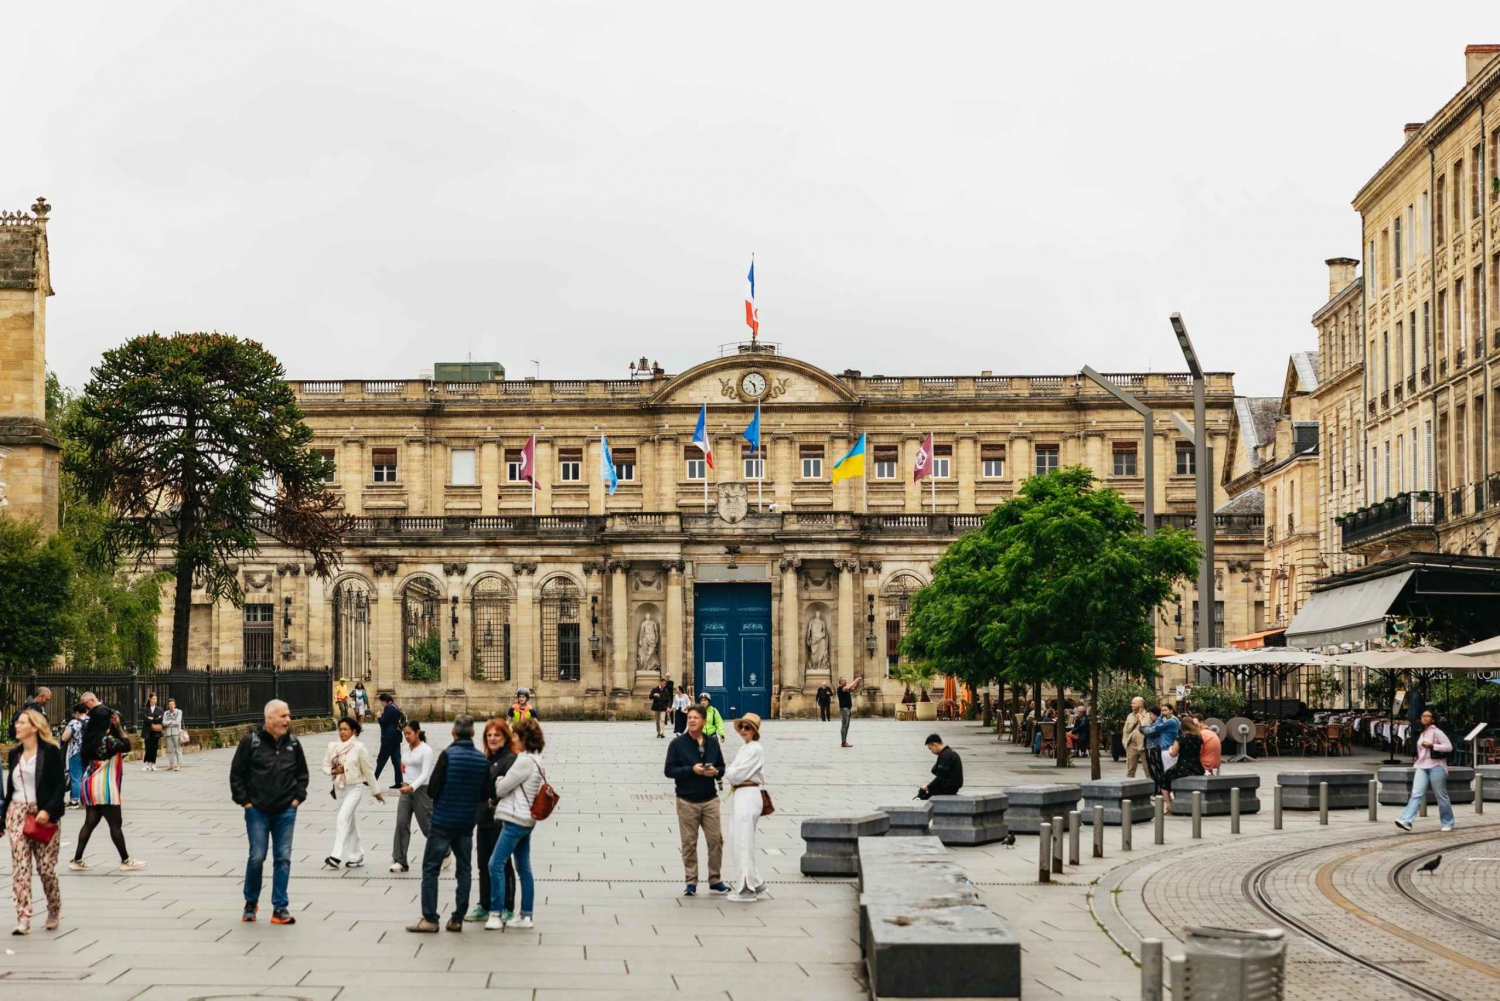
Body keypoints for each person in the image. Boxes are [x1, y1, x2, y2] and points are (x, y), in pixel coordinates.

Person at [229, 699, 308, 924]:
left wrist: (297, 799)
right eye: (283, 716)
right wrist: (245, 802)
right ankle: (251, 901)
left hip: (285, 811)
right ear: (269, 718)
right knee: (257, 857)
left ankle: (280, 908)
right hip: (257, 811)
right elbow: (237, 774)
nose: (288, 720)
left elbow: (302, 774)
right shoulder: (250, 742)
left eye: (288, 715)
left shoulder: (293, 743)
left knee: (283, 858)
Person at [408, 715, 487, 933]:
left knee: (431, 868)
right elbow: (486, 794)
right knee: (464, 870)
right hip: (465, 824)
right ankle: (457, 918)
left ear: (453, 733)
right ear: (473, 734)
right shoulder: (481, 760)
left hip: (442, 822)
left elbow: (432, 789)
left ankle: (430, 918)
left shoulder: (447, 755)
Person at [485, 718, 550, 930]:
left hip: (515, 820)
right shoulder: (538, 760)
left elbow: (501, 790)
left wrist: (499, 780)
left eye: (515, 735)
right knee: (524, 868)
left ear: (523, 738)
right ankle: (526, 915)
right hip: (528, 820)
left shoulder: (523, 761)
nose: (512, 739)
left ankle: (495, 913)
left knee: (495, 864)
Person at [4, 709, 65, 934]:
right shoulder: (14, 754)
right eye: (17, 723)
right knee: (20, 867)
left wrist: (48, 810)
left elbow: (60, 784)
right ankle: (23, 917)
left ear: (34, 727)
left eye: (21, 723)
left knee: (46, 868)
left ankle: (54, 906)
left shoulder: (50, 752)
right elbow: (10, 789)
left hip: (43, 815)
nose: (17, 726)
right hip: (17, 812)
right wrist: (3, 818)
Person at [71, 693, 145, 873]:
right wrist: (119, 728)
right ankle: (126, 860)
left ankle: (77, 859)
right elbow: (127, 745)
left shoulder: (91, 740)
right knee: (115, 824)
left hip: (89, 784)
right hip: (104, 786)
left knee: (90, 822)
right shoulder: (107, 740)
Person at [664, 705, 730, 897]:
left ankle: (715, 879)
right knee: (689, 843)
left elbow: (722, 766)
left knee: (716, 841)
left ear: (703, 721)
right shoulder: (677, 744)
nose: (692, 720)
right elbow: (669, 770)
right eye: (689, 717)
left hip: (710, 800)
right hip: (687, 800)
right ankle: (691, 881)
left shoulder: (712, 743)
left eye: (695, 718)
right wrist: (690, 770)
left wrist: (715, 771)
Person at [467, 718, 517, 923]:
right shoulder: (486, 759)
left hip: (501, 820)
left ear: (505, 736)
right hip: (484, 819)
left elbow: (509, 789)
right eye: (489, 735)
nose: (493, 738)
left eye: (497, 735)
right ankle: (484, 903)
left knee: (502, 864)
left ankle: (507, 906)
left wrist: (493, 798)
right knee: (483, 863)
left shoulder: (510, 759)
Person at [322, 716, 385, 869]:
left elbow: (368, 771)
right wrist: (332, 770)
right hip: (339, 788)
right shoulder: (333, 747)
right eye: (340, 729)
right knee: (350, 824)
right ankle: (356, 856)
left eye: (345, 729)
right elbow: (324, 766)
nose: (342, 732)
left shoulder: (359, 748)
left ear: (354, 731)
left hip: (354, 788)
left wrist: (375, 791)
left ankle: (336, 855)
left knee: (342, 818)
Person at [723, 714, 767, 903]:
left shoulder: (755, 749)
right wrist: (732, 772)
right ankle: (756, 882)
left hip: (748, 795)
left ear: (754, 731)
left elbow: (735, 775)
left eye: (747, 728)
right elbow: (732, 773)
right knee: (737, 838)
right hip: (741, 795)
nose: (743, 730)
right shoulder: (745, 747)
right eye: (741, 727)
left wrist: (731, 772)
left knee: (743, 841)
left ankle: (747, 888)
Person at [1395, 709, 1455, 833]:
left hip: (1436, 766)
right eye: (1423, 716)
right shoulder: (1422, 733)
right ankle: (1406, 820)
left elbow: (1449, 747)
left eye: (1427, 716)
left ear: (1433, 719)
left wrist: (1433, 746)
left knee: (1441, 795)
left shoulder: (1437, 732)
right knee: (1416, 793)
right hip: (1422, 766)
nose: (1424, 718)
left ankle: (1447, 822)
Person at [390, 721, 434, 873]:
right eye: (405, 734)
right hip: (406, 789)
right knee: (401, 823)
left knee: (427, 826)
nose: (406, 736)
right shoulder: (405, 748)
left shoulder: (426, 750)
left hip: (421, 790)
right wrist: (405, 782)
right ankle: (399, 860)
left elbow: (425, 773)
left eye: (409, 733)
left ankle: (444, 849)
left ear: (417, 732)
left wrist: (412, 787)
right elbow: (404, 766)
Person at [1161, 717, 1205, 814]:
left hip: (1183, 767)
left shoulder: (1181, 738)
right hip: (1197, 767)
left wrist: (1170, 749)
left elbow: (1173, 754)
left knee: (1164, 777)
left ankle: (1168, 804)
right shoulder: (1199, 737)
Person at [1140, 703, 1180, 796]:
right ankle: (1167, 793)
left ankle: (1166, 793)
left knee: (1166, 772)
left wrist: (1159, 717)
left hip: (1167, 749)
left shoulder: (1171, 721)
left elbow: (1154, 728)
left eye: (1165, 710)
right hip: (1166, 749)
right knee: (1166, 772)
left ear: (1171, 710)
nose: (1163, 713)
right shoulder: (1170, 721)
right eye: (1162, 711)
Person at [375, 693, 404, 789]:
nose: (381, 704)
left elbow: (384, 722)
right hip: (396, 737)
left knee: (381, 759)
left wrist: (379, 716)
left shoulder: (388, 708)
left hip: (389, 738)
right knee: (396, 760)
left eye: (381, 702)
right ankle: (399, 781)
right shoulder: (395, 706)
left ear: (384, 701)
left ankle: (373, 780)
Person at [62, 705, 86, 808]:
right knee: (85, 776)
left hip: (75, 752)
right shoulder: (93, 720)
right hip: (89, 752)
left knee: (75, 777)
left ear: (77, 712)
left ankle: (74, 800)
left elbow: (64, 738)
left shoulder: (74, 723)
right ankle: (84, 798)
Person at [1122, 697, 1147, 777]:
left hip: (1144, 747)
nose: (1131, 705)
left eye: (1133, 703)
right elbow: (1125, 730)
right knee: (1130, 771)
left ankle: (1151, 787)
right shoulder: (1130, 716)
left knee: (1148, 769)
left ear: (1140, 704)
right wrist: (1125, 742)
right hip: (1131, 746)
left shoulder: (1148, 716)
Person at [141, 692, 164, 772]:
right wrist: (154, 718)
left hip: (156, 732)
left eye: (156, 698)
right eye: (153, 698)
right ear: (150, 699)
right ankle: (147, 764)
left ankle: (153, 764)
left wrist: (151, 718)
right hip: (147, 731)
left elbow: (160, 719)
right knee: (148, 748)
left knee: (154, 748)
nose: (155, 700)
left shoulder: (159, 709)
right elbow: (145, 718)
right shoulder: (145, 709)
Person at [837, 676, 862, 748]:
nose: (846, 682)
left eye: (846, 680)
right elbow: (848, 687)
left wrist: (857, 682)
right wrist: (855, 680)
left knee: (847, 726)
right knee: (844, 726)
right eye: (844, 681)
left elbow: (854, 688)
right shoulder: (840, 688)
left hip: (848, 708)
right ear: (840, 682)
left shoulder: (846, 689)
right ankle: (843, 742)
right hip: (844, 709)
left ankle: (845, 742)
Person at [162, 698, 185, 772]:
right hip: (168, 733)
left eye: (172, 704)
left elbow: (177, 722)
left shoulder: (179, 712)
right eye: (169, 704)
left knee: (178, 749)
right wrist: (171, 721)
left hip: (176, 733)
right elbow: (163, 723)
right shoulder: (166, 713)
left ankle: (178, 765)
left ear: (175, 705)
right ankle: (171, 764)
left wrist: (169, 722)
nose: (171, 705)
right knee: (170, 750)